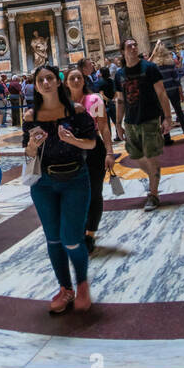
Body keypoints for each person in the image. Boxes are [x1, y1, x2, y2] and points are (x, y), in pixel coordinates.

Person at [22, 64, 98, 314]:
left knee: (72, 239)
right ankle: (65, 289)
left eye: (50, 78)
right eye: (40, 79)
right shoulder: (30, 116)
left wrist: (71, 140)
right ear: (35, 85)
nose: (45, 83)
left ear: (58, 82)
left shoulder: (75, 110)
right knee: (53, 239)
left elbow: (92, 143)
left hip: (75, 179)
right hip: (43, 183)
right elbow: (27, 152)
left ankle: (82, 283)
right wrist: (33, 146)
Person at [114, 36, 172, 210]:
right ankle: (155, 176)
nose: (133, 48)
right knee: (135, 156)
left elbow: (161, 94)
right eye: (129, 46)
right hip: (131, 121)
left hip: (149, 119)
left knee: (152, 157)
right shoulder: (119, 75)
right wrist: (118, 123)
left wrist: (167, 118)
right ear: (123, 51)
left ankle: (153, 194)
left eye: (134, 45)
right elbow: (120, 100)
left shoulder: (150, 68)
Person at [65, 65, 115, 252]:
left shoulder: (94, 99)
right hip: (71, 152)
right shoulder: (63, 104)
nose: (76, 81)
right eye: (72, 79)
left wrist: (110, 153)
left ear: (84, 80)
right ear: (66, 83)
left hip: (94, 150)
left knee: (94, 193)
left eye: (79, 78)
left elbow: (103, 127)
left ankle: (90, 235)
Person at [151, 40, 184, 143]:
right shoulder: (171, 62)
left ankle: (166, 137)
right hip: (173, 89)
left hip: (161, 92)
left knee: (163, 114)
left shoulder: (154, 66)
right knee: (179, 111)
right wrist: (181, 93)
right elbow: (177, 79)